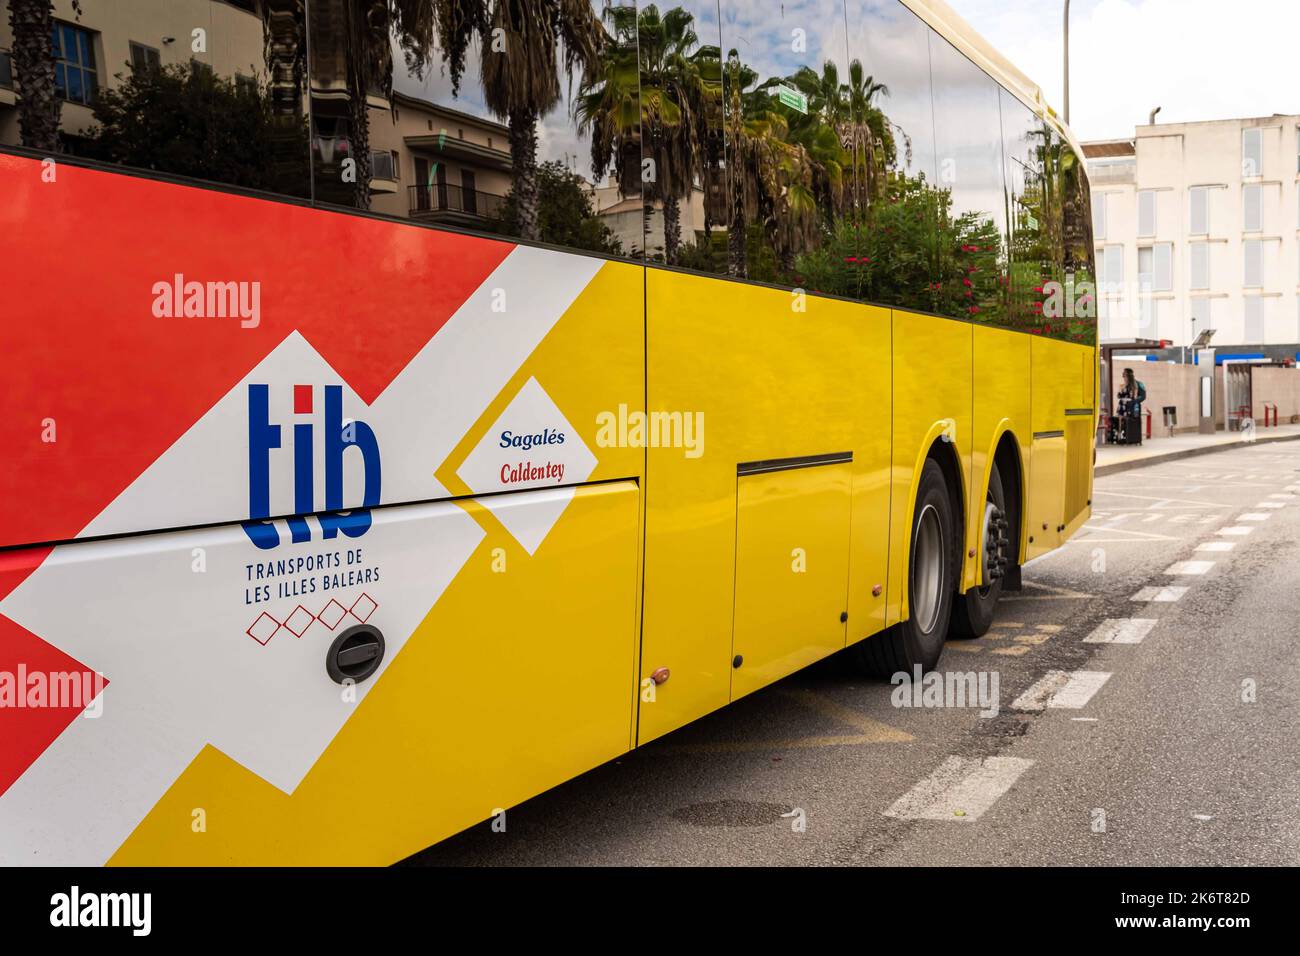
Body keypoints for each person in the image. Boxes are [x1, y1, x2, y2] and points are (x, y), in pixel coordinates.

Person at [1112, 367, 1147, 444]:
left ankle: (1133, 438)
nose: (1123, 376)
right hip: (1123, 405)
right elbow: (1119, 395)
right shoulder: (1122, 385)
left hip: (1133, 406)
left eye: (1124, 374)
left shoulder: (1138, 384)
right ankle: (1122, 438)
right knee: (1121, 421)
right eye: (1123, 375)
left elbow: (1143, 396)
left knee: (1134, 422)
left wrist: (1134, 402)